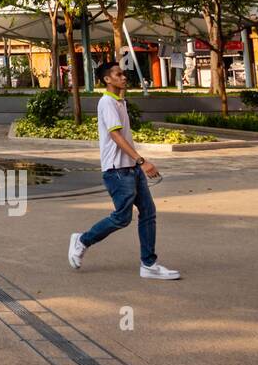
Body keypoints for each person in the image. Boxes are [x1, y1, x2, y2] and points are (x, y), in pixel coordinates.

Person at [69, 62, 180, 280]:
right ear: (107, 80)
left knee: (148, 212)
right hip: (118, 171)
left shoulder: (119, 101)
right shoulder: (107, 102)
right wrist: (142, 161)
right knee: (122, 217)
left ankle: (148, 264)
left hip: (130, 168)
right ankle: (82, 240)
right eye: (118, 74)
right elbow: (116, 136)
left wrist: (136, 164)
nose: (123, 77)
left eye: (123, 73)